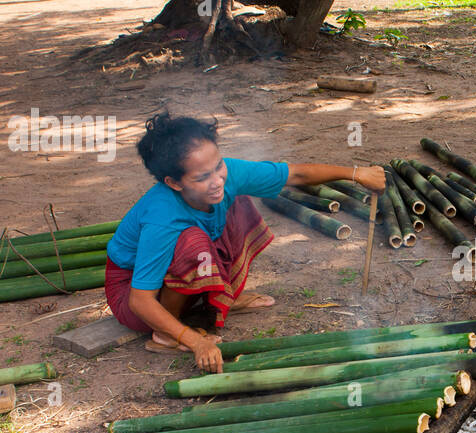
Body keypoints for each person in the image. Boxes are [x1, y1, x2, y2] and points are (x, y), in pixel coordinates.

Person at [104, 114, 386, 371]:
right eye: (202, 177)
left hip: (178, 274)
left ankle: (221, 294)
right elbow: (140, 301)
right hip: (133, 296)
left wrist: (356, 173)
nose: (217, 181)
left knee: (238, 200)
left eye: (218, 167)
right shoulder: (162, 217)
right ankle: (165, 334)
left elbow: (296, 174)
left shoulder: (226, 178)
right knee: (192, 241)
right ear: (174, 183)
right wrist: (195, 341)